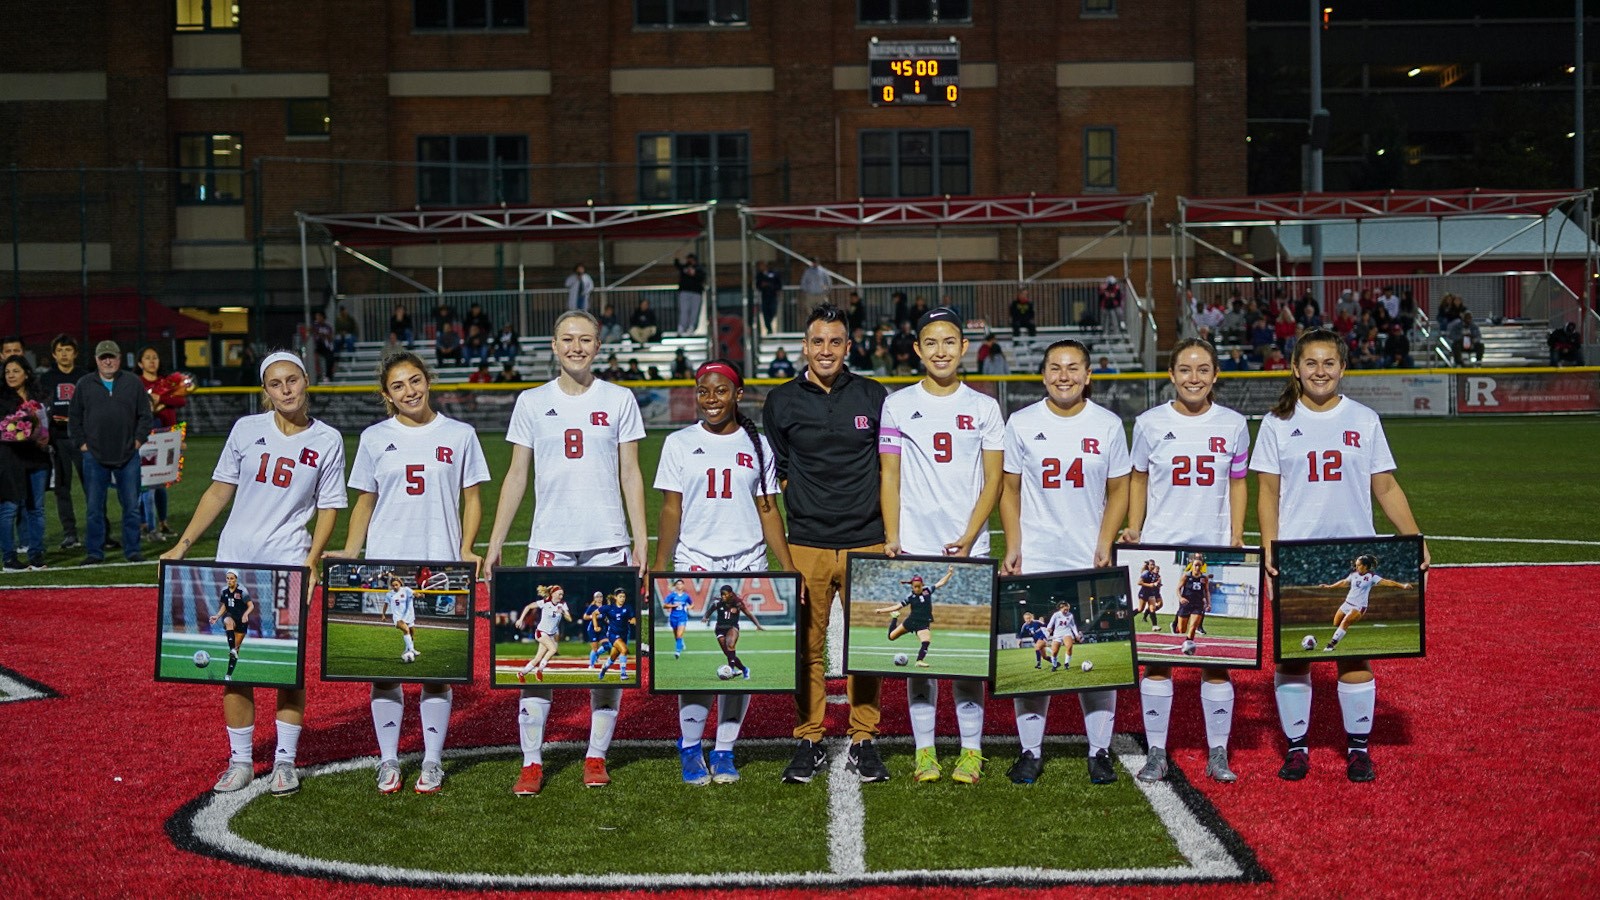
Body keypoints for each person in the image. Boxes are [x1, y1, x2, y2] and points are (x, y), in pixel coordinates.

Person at [161, 350, 346, 796]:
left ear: (306, 382)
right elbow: (219, 489)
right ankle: (241, 761)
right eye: (276, 383)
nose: (285, 389)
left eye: (293, 380)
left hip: (287, 564)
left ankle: (285, 761)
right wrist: (183, 545)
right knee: (234, 666)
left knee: (288, 670)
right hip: (235, 563)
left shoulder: (327, 439)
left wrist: (312, 560)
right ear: (265, 391)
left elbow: (329, 506)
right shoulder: (246, 430)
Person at [483, 309, 650, 796]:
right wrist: (495, 543)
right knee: (539, 655)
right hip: (550, 544)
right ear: (553, 347)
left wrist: (639, 539)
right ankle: (532, 762)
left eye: (586, 339)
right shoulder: (532, 402)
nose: (576, 347)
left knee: (608, 654)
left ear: (599, 346)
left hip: (608, 545)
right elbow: (516, 476)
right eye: (567, 339)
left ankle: (596, 756)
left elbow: (631, 473)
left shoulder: (619, 399)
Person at [1250, 327, 1426, 783]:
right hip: (1295, 546)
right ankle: (1296, 747)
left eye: (1329, 363)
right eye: (1311, 362)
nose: (1320, 371)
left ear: (1343, 368)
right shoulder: (1276, 422)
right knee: (1293, 657)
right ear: (1295, 368)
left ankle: (1359, 747)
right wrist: (1270, 546)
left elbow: (1384, 486)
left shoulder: (1364, 418)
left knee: (1354, 656)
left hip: (1354, 545)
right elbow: (1267, 493)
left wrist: (1414, 536)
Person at [337, 349, 490, 794]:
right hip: (387, 560)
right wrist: (351, 552)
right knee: (385, 671)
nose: (410, 391)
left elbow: (473, 498)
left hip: (440, 560)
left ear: (428, 381)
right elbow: (364, 501)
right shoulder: (372, 437)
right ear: (387, 394)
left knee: (438, 669)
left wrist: (466, 549)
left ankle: (432, 759)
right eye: (399, 385)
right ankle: (388, 759)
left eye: (416, 380)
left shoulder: (459, 433)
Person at [763, 302, 890, 784]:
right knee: (806, 648)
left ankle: (863, 738)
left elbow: (890, 469)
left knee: (866, 649)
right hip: (808, 543)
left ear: (849, 347)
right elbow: (777, 474)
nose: (826, 350)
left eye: (836, 342)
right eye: (818, 341)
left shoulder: (875, 396)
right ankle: (809, 735)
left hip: (868, 541)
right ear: (805, 345)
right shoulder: (781, 401)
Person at [877, 306, 1004, 784]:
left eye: (949, 341)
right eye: (931, 343)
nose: (941, 351)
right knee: (918, 664)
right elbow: (889, 475)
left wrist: (971, 535)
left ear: (963, 347)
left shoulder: (985, 407)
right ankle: (925, 751)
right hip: (914, 546)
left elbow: (994, 480)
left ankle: (971, 751)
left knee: (968, 659)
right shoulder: (896, 404)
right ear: (917, 350)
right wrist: (894, 536)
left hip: (969, 549)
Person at [653, 360, 795, 784]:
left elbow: (769, 513)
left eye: (719, 391)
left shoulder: (760, 445)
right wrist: (661, 568)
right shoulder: (679, 443)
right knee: (698, 665)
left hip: (748, 562)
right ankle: (691, 748)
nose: (710, 399)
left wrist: (786, 568)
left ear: (738, 394)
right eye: (702, 391)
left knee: (739, 661)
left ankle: (726, 749)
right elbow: (670, 509)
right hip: (696, 562)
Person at [1120, 337, 1251, 783]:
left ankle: (1218, 751)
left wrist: (1235, 534)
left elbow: (1237, 483)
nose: (1193, 378)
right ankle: (1157, 749)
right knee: (1158, 659)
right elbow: (1138, 478)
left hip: (1212, 548)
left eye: (1202, 370)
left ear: (1215, 376)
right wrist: (1135, 528)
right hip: (1160, 546)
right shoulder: (1150, 423)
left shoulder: (1233, 424)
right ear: (1171, 376)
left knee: (1215, 659)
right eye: (1184, 370)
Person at [999, 339, 1130, 785]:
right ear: (1043, 375)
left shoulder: (1109, 424)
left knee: (1093, 663)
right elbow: (1010, 489)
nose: (1064, 375)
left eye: (1073, 368)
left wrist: (1105, 542)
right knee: (1039, 667)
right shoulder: (1021, 422)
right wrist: (1014, 544)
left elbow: (1119, 490)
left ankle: (1099, 750)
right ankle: (1031, 751)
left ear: (1088, 375)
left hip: (1088, 555)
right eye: (1055, 367)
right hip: (1037, 553)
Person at [69, 340, 153, 564]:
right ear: (96, 359)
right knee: (94, 509)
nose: (108, 361)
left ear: (119, 358)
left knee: (132, 507)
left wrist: (138, 441)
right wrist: (82, 445)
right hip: (94, 455)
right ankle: (95, 553)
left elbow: (145, 415)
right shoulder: (85, 384)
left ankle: (133, 551)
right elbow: (74, 417)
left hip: (128, 454)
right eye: (103, 357)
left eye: (112, 357)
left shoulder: (133, 382)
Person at [37, 335, 90, 550]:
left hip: (82, 439)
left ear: (75, 353)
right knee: (61, 488)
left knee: (92, 487)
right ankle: (70, 533)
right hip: (58, 439)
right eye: (60, 350)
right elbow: (40, 408)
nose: (64, 353)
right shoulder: (46, 379)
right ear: (54, 354)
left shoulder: (85, 376)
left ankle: (100, 533)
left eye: (68, 349)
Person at [0, 356, 50, 570]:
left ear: (26, 373)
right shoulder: (1, 398)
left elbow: (47, 424)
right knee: (8, 509)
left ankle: (36, 555)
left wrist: (43, 433)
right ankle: (9, 558)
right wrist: (19, 430)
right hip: (10, 460)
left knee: (36, 509)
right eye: (7, 371)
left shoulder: (38, 397)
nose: (10, 375)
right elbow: (4, 430)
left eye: (15, 371)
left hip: (37, 458)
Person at [1315, 554, 1415, 652]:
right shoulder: (1353, 575)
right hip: (1347, 603)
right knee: (1336, 623)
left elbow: (1388, 582)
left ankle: (1330, 645)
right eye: (1356, 565)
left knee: (1345, 622)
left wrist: (1403, 586)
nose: (1356, 567)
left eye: (1358, 565)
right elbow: (1344, 582)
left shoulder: (1371, 576)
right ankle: (1340, 633)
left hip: (1359, 606)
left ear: (1365, 566)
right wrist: (1329, 586)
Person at [136, 345, 186, 542]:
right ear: (140, 363)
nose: (151, 361)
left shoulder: (166, 382)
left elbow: (181, 400)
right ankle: (144, 523)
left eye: (154, 357)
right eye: (147, 358)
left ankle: (163, 522)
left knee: (162, 482)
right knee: (145, 483)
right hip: (145, 435)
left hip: (166, 434)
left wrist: (160, 398)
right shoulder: (136, 382)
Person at [515, 584, 572, 682]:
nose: (561, 597)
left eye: (562, 595)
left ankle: (521, 673)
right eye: (559, 594)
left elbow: (569, 619)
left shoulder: (562, 604)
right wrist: (520, 619)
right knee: (553, 649)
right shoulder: (545, 602)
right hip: (541, 632)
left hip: (550, 634)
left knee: (537, 658)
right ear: (553, 593)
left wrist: (563, 612)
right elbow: (528, 607)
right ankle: (540, 670)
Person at [206, 570, 254, 682]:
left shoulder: (242, 591)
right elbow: (225, 606)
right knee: (227, 620)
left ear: (236, 579)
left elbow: (251, 606)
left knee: (235, 652)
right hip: (231, 617)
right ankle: (232, 649)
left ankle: (228, 674)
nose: (229, 581)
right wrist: (217, 616)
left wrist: (246, 614)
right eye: (227, 578)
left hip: (242, 622)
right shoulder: (224, 590)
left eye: (231, 578)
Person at [381, 574, 423, 662]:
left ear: (400, 584)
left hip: (409, 616)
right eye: (393, 585)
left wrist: (419, 595)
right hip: (398, 617)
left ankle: (408, 650)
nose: (395, 587)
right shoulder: (389, 594)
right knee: (406, 630)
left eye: (396, 585)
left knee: (411, 634)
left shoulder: (406, 590)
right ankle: (411, 650)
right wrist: (383, 614)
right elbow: (386, 604)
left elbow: (415, 594)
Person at [674, 253, 706, 336]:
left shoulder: (699, 269)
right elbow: (678, 265)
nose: (689, 261)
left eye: (690, 259)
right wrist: (676, 258)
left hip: (696, 292)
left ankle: (691, 327)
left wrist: (694, 273)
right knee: (684, 310)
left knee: (694, 311)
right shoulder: (684, 267)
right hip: (685, 291)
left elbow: (702, 277)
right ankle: (681, 327)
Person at [755, 260, 783, 335]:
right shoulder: (759, 275)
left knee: (773, 311)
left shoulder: (774, 273)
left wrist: (774, 287)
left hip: (773, 295)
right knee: (765, 313)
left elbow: (778, 284)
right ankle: (769, 329)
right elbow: (758, 285)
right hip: (764, 296)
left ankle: (769, 323)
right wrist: (762, 285)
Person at [310, 311, 336, 380]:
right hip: (318, 347)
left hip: (327, 347)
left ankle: (328, 376)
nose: (317, 319)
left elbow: (330, 337)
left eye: (319, 317)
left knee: (330, 358)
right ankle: (321, 376)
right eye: (316, 317)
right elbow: (310, 332)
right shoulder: (315, 326)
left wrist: (324, 335)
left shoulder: (328, 327)